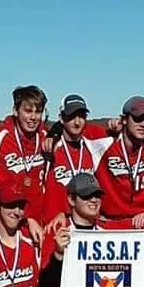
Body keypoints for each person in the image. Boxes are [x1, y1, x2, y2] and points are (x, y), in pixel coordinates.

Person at [91, 96, 144, 225]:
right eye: (137, 119)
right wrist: (54, 133)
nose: (143, 124)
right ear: (124, 119)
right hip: (108, 224)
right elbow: (74, 126)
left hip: (140, 223)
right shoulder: (103, 145)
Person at [0, 86, 48, 222]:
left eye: (38, 111)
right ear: (15, 111)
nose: (33, 117)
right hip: (3, 219)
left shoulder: (46, 138)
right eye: (28, 111)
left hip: (35, 220)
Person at [42, 94, 107, 223]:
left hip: (86, 227)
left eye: (82, 116)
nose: (77, 122)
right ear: (61, 118)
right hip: (55, 225)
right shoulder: (49, 147)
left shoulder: (93, 146)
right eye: (71, 116)